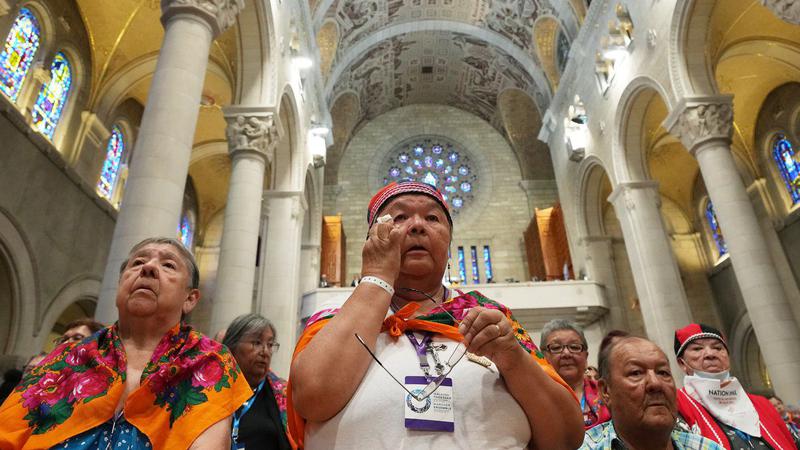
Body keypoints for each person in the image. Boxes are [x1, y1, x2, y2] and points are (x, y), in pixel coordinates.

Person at [288, 181, 583, 449]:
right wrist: (377, 278)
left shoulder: (491, 320)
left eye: (432, 218)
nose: (417, 226)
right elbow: (312, 399)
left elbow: (565, 439)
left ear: (449, 242)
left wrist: (512, 358)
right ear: (372, 239)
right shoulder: (334, 317)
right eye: (400, 217)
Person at [0, 237, 252, 449]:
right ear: (121, 284)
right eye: (138, 262)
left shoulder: (210, 361)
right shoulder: (68, 357)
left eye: (168, 265)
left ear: (190, 298)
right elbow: (7, 432)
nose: (148, 268)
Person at [581, 335, 725, 450]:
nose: (655, 383)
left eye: (663, 372)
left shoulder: (706, 447)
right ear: (606, 391)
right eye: (636, 373)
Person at [673, 323, 797, 450]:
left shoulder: (762, 404)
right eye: (698, 349)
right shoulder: (675, 404)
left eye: (717, 348)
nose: (710, 354)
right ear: (682, 363)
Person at [223, 313, 290, 450]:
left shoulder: (284, 394)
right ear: (232, 346)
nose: (265, 351)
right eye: (256, 343)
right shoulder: (211, 390)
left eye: (270, 344)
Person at [541, 319, 610, 429]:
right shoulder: (535, 397)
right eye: (556, 348)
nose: (566, 353)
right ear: (543, 357)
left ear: (586, 356)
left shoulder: (606, 393)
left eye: (574, 347)